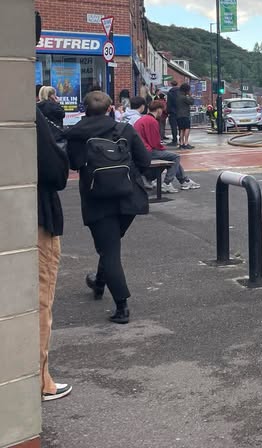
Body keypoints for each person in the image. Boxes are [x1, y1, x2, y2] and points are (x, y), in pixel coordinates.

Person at [66, 91, 151, 324]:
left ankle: (122, 306)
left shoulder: (76, 134)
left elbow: (74, 163)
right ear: (110, 108)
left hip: (97, 199)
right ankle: (99, 282)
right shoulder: (124, 129)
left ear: (84, 109)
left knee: (109, 249)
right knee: (110, 245)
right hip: (129, 197)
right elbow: (145, 161)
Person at [36, 106, 72, 401]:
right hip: (35, 214)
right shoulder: (23, 110)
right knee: (38, 297)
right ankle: (39, 380)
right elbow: (54, 171)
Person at [134, 100, 200, 193]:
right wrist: (163, 149)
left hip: (140, 151)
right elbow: (155, 142)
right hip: (147, 151)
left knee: (171, 157)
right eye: (162, 110)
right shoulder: (152, 121)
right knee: (175, 157)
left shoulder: (143, 119)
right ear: (159, 110)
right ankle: (168, 183)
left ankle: (184, 180)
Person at [176, 83, 194, 149]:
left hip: (178, 115)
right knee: (187, 128)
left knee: (181, 129)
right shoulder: (184, 97)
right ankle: (186, 143)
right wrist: (190, 96)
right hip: (185, 115)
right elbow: (191, 102)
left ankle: (181, 143)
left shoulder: (178, 96)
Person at [166, 81, 180, 146]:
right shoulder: (180, 92)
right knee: (180, 126)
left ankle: (174, 140)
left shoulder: (170, 92)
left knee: (173, 127)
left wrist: (168, 111)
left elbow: (169, 103)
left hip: (172, 112)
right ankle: (181, 139)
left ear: (171, 84)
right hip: (180, 111)